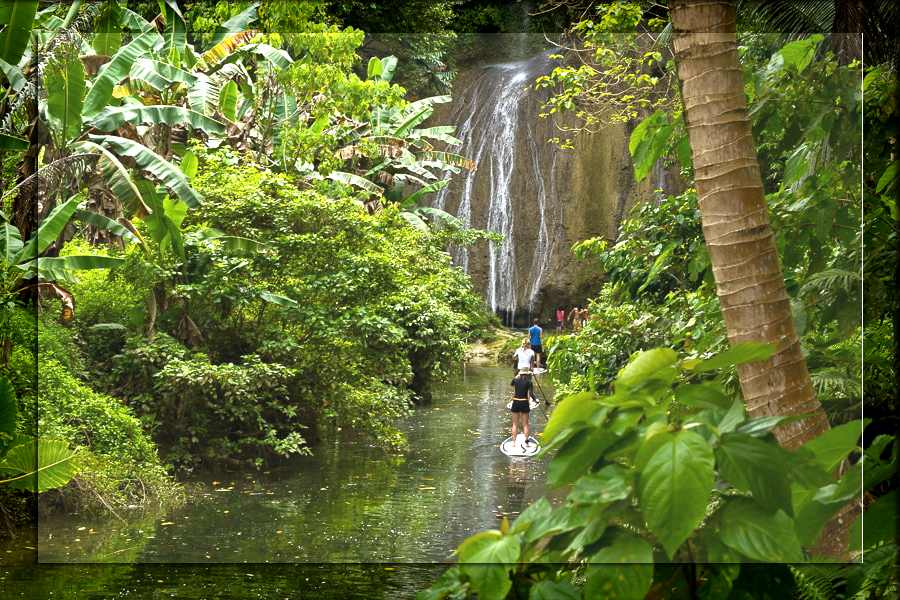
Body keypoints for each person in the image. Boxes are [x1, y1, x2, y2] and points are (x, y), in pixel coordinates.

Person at [509, 369, 534, 448]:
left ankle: (513, 443)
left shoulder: (515, 380)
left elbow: (511, 383)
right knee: (525, 424)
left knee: (515, 424)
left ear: (520, 373)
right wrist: (535, 399)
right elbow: (531, 394)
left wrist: (516, 377)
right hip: (524, 402)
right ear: (527, 374)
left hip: (516, 402)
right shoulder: (529, 382)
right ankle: (527, 443)